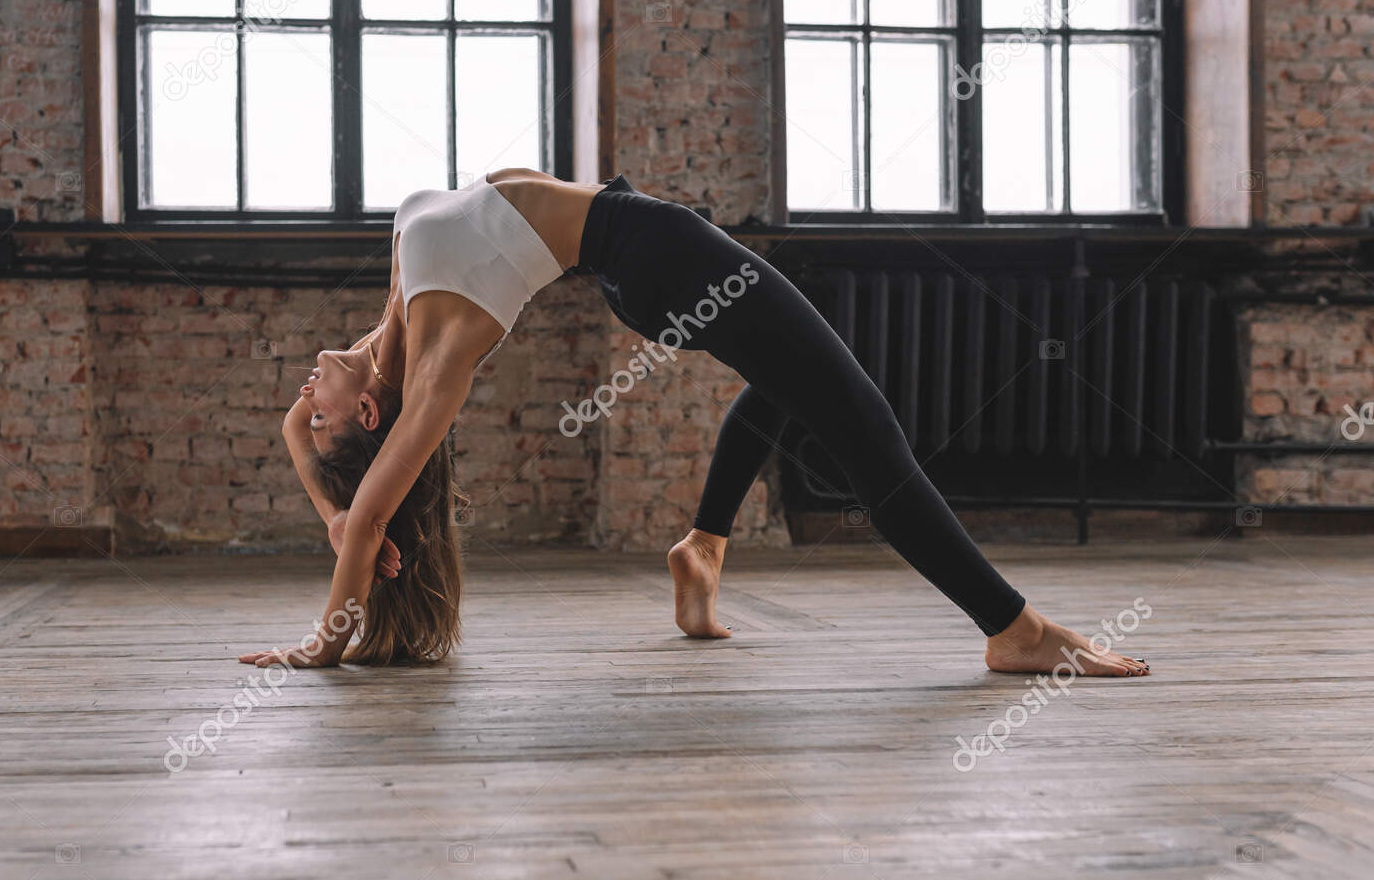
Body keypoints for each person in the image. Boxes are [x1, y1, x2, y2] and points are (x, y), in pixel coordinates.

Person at [239, 169, 1150, 678]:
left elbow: (302, 439)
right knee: (862, 423)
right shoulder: (436, 367)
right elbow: (369, 519)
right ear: (368, 411)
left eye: (309, 397)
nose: (303, 388)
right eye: (325, 413)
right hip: (655, 251)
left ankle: (704, 546)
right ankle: (1013, 628)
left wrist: (328, 502)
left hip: (640, 260)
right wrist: (322, 639)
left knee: (795, 388)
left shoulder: (396, 323)